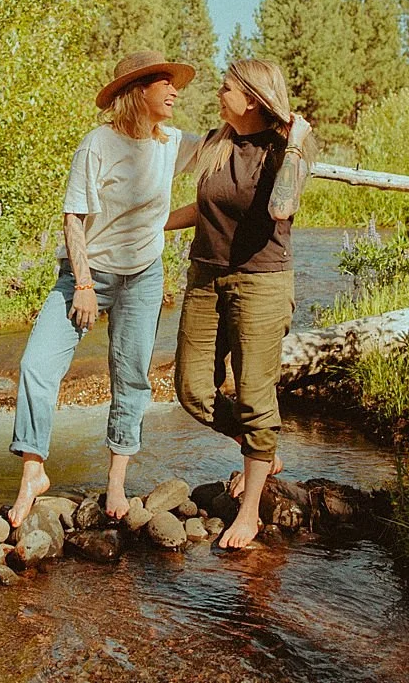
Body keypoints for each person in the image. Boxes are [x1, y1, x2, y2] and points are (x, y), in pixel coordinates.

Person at [7, 51, 198, 528]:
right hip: (86, 274)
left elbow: (228, 145)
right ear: (138, 91)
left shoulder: (173, 141)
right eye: (164, 83)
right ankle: (33, 471)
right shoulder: (97, 145)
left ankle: (117, 480)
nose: (175, 91)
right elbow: (73, 217)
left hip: (144, 277)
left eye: (175, 84)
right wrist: (85, 284)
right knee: (36, 364)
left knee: (131, 375)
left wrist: (286, 129)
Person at [167, 59, 314, 549]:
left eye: (226, 88)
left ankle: (249, 510)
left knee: (254, 395)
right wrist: (152, 224)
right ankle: (259, 447)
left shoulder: (286, 147)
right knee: (191, 389)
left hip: (262, 283)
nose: (218, 92)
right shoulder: (217, 140)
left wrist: (295, 144)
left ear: (252, 97)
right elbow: (207, 207)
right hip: (206, 277)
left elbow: (281, 207)